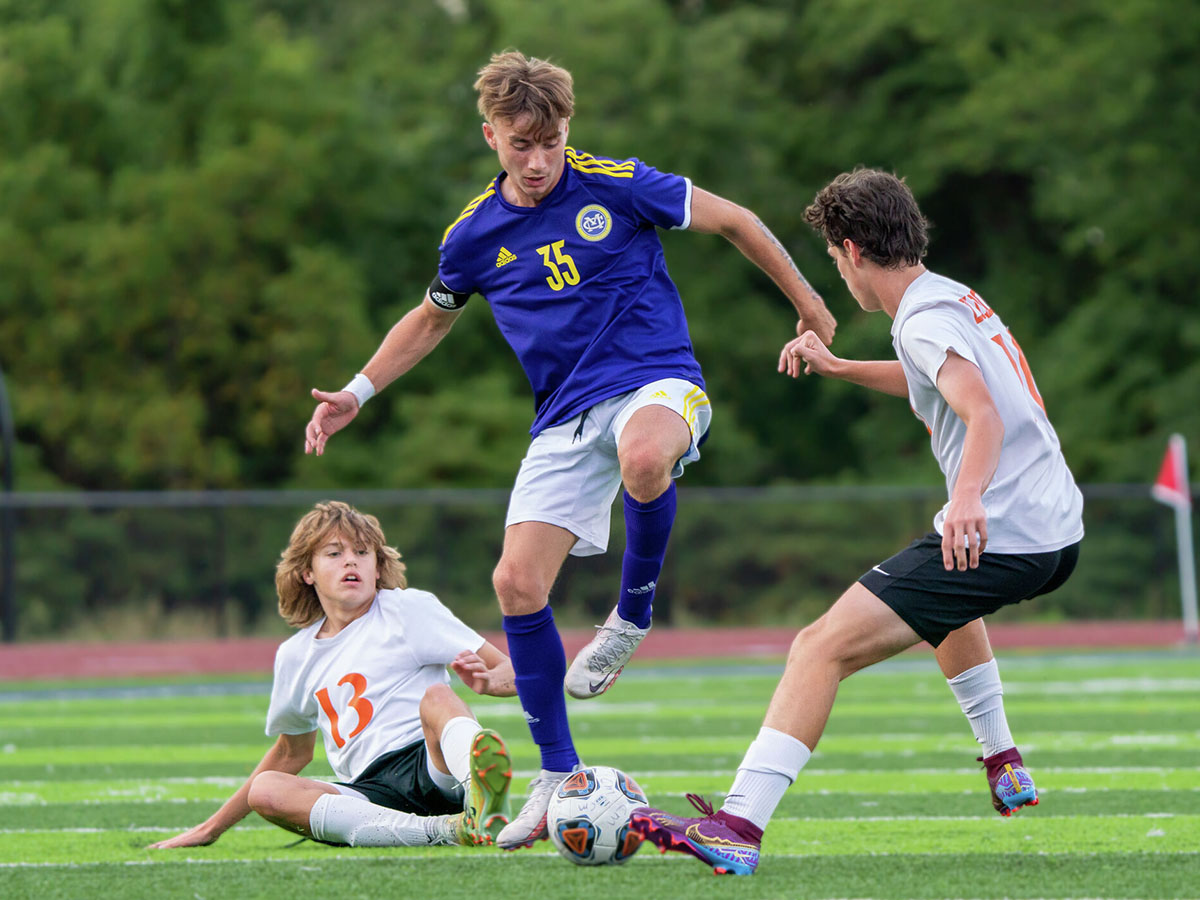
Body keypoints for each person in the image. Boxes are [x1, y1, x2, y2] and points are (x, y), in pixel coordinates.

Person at [302, 51, 837, 849]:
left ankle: (631, 614)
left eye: (550, 141)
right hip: (563, 417)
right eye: (521, 144)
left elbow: (735, 221)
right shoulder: (473, 235)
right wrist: (357, 391)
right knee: (514, 583)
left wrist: (810, 304)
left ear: (566, 131)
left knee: (647, 459)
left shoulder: (617, 183)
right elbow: (431, 318)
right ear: (492, 138)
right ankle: (557, 770)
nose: (539, 159)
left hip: (657, 381)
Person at [629, 168, 1084, 875]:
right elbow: (934, 375)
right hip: (1056, 531)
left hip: (1010, 530)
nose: (838, 274)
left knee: (817, 647)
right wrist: (841, 368)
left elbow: (981, 411)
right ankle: (1004, 761)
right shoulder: (947, 297)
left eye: (834, 261)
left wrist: (968, 497)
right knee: (946, 595)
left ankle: (738, 826)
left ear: (852, 251)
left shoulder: (925, 319)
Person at [149, 501, 516, 851]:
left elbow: (512, 671)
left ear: (377, 567)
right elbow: (292, 753)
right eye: (334, 553)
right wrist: (211, 828)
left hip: (433, 766)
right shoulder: (295, 655)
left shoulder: (408, 609)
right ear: (307, 572)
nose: (350, 561)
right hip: (369, 795)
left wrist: (489, 683)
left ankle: (479, 798)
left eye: (362, 552)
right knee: (266, 790)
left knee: (439, 696)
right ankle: (447, 830)